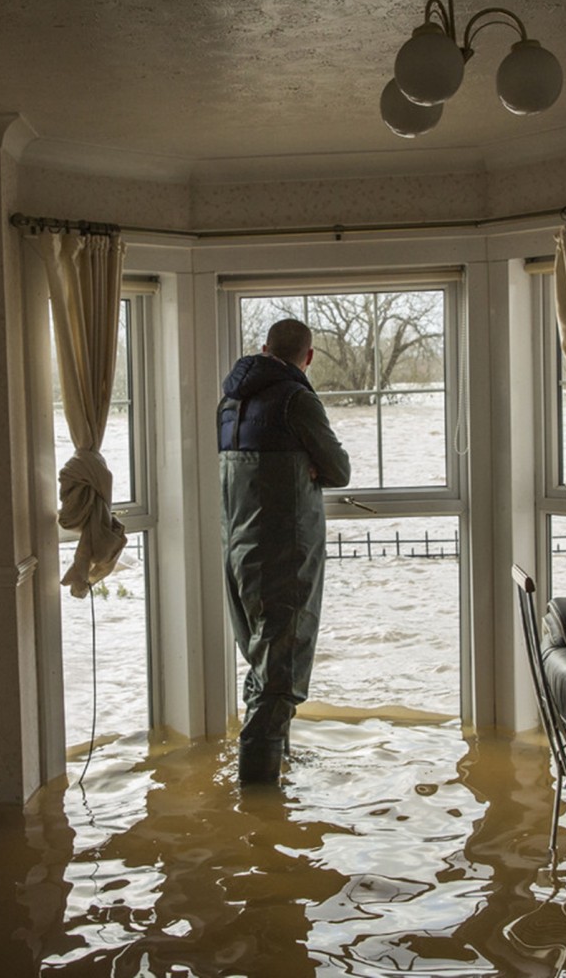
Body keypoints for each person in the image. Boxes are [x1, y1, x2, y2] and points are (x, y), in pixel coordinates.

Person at [218, 318, 351, 785]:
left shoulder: (230, 402)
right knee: (279, 677)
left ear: (263, 348)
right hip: (283, 556)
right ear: (308, 357)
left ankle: (279, 766)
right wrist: (311, 463)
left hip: (238, 552)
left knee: (264, 664)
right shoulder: (298, 400)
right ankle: (259, 803)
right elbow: (339, 470)